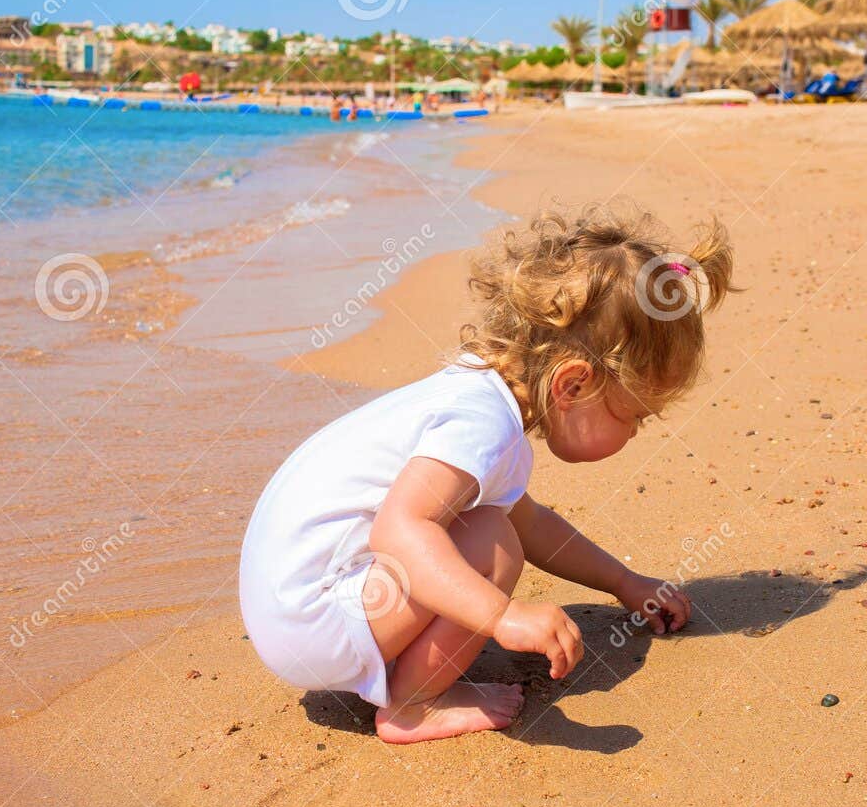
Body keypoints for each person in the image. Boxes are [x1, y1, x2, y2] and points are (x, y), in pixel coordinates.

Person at [238, 204, 736, 744]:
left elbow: (532, 523)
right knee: (492, 543)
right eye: (634, 415)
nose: (636, 433)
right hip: (311, 624)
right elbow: (399, 530)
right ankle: (412, 705)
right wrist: (502, 617)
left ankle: (395, 663)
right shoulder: (481, 424)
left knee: (495, 527)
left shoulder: (479, 396)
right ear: (572, 386)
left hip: (290, 613)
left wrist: (623, 582)